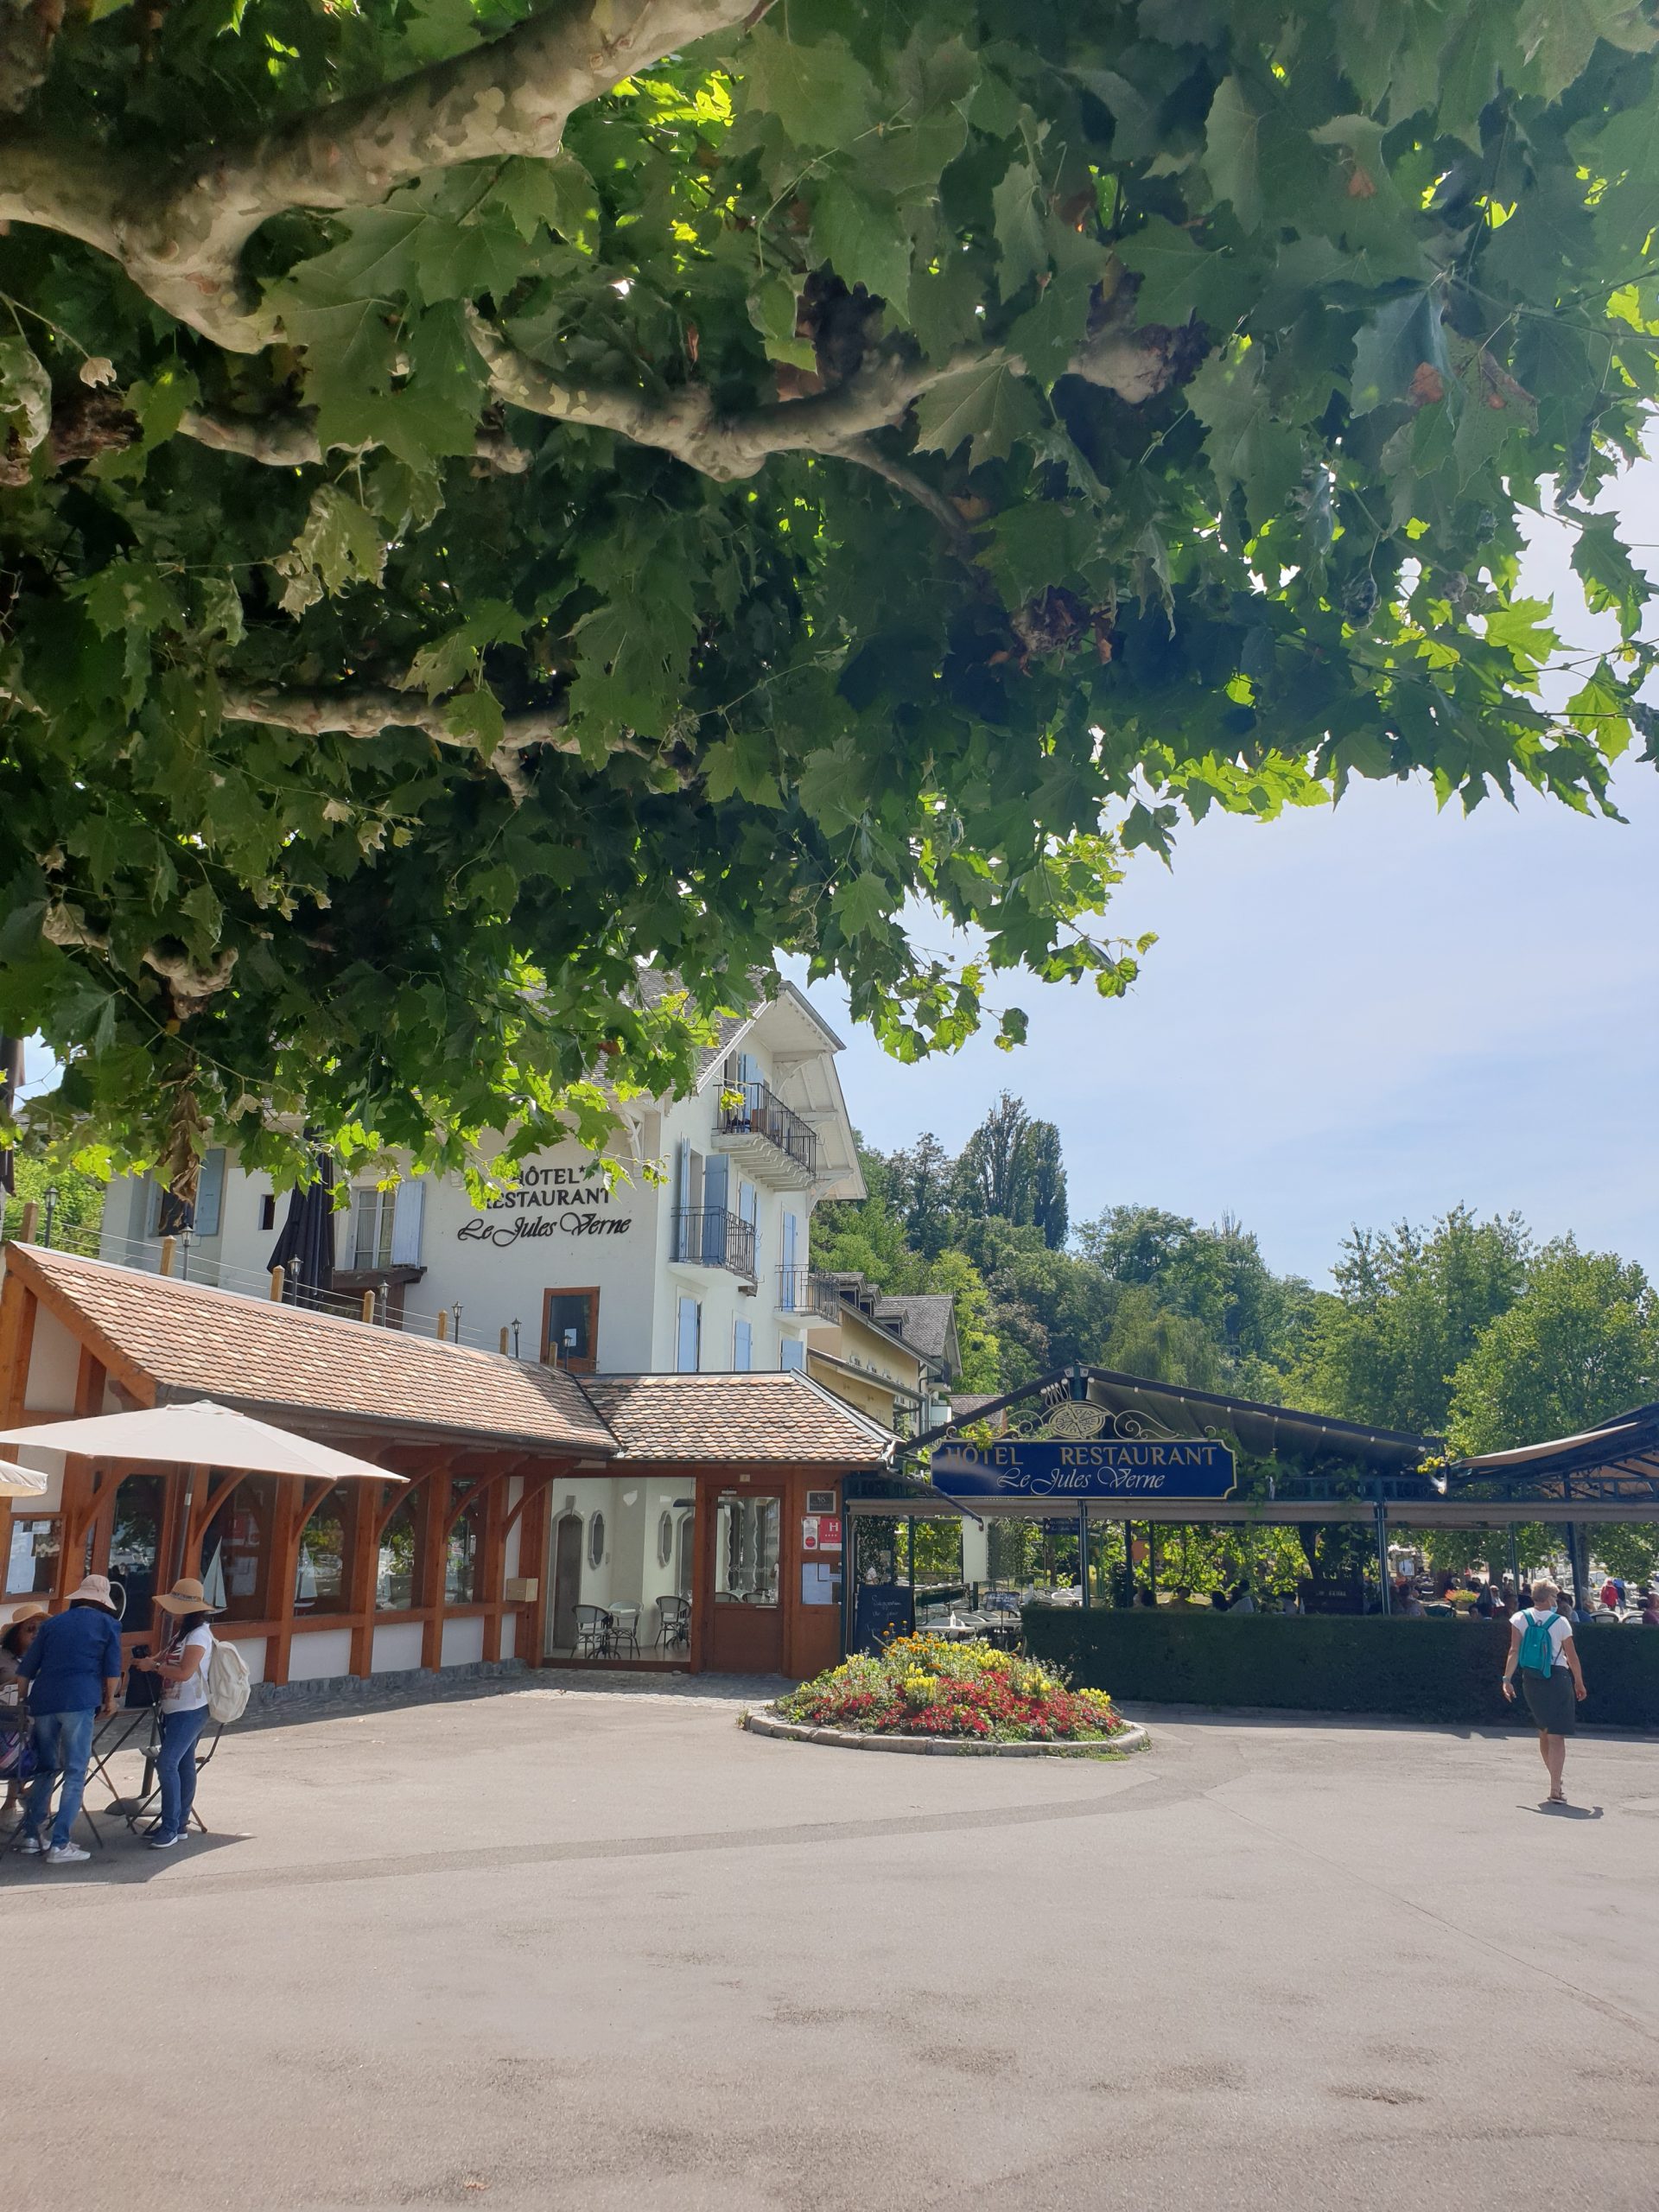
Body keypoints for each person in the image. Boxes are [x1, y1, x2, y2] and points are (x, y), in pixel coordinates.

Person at [16, 1573, 124, 1863]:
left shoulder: (53, 1623)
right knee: (75, 1771)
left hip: (44, 1699)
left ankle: (31, 1835)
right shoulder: (109, 1624)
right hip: (80, 1699)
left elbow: (25, 1669)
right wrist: (110, 1699)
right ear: (102, 1601)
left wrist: (25, 1700)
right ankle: (60, 1844)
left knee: (46, 1768)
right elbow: (112, 1670)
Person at [128, 1576, 219, 1849]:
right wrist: (150, 1660)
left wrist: (152, 1667)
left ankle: (170, 1826)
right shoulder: (183, 1634)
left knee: (167, 1763)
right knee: (183, 1763)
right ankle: (178, 1824)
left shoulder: (199, 1635)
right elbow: (162, 1658)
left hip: (191, 1708)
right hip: (176, 1707)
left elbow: (183, 1672)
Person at [1503, 1576, 1587, 1805]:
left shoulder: (1520, 1618)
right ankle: (1555, 1788)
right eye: (1555, 1596)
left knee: (1544, 1730)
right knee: (1557, 1735)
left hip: (1531, 1679)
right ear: (1549, 1598)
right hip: (1557, 1678)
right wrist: (1579, 1682)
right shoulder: (1560, 1622)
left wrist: (1506, 1678)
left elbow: (1514, 1651)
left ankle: (1555, 1781)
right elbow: (1572, 1656)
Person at [0, 1602, 47, 1818]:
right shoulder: (3, 1657)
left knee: (51, 1737)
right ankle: (15, 1800)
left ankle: (35, 1800)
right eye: (30, 1629)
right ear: (15, 1633)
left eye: (40, 1629)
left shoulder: (44, 1658)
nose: (36, 1634)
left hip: (32, 1722)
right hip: (6, 1727)